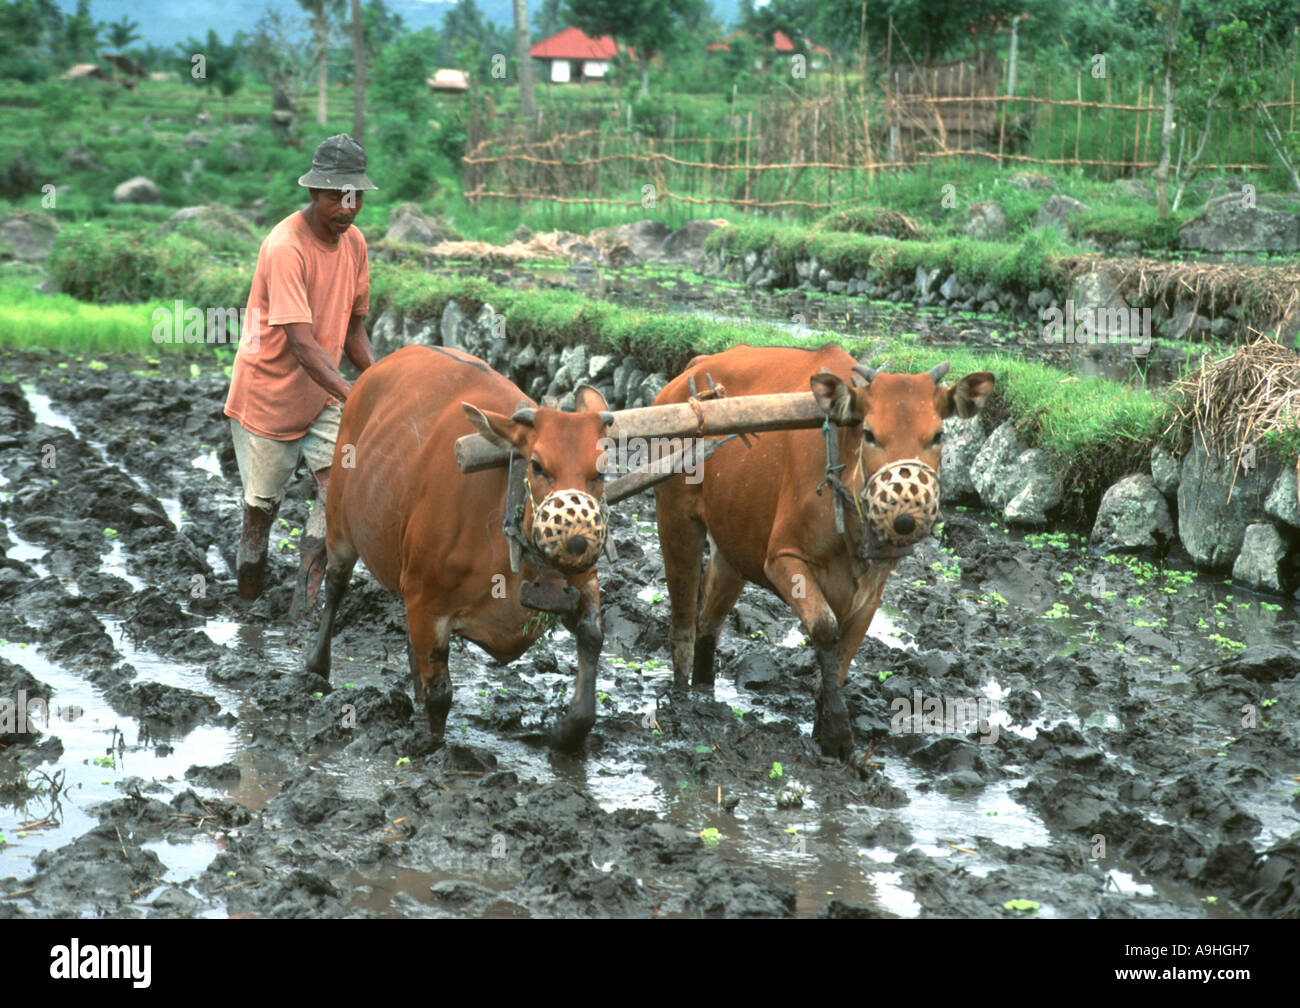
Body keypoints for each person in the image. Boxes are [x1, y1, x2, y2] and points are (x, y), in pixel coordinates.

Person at [224, 134, 377, 620]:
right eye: (336, 196)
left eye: (354, 197)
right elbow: (301, 341)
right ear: (314, 193)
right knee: (261, 510)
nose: (346, 208)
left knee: (339, 494)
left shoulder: (354, 244)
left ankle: (303, 608)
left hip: (323, 396)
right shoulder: (286, 246)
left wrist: (382, 384)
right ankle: (248, 600)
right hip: (268, 397)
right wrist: (353, 394)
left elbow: (354, 330)